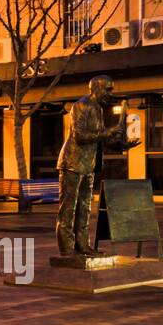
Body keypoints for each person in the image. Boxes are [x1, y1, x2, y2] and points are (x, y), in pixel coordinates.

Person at [56, 75, 140, 256]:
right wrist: (109, 131)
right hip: (72, 163)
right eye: (108, 89)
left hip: (88, 165)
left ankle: (82, 244)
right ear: (95, 89)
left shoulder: (98, 109)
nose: (111, 93)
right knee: (69, 208)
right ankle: (67, 248)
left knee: (84, 208)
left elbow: (100, 141)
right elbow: (80, 136)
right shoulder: (81, 106)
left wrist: (123, 145)